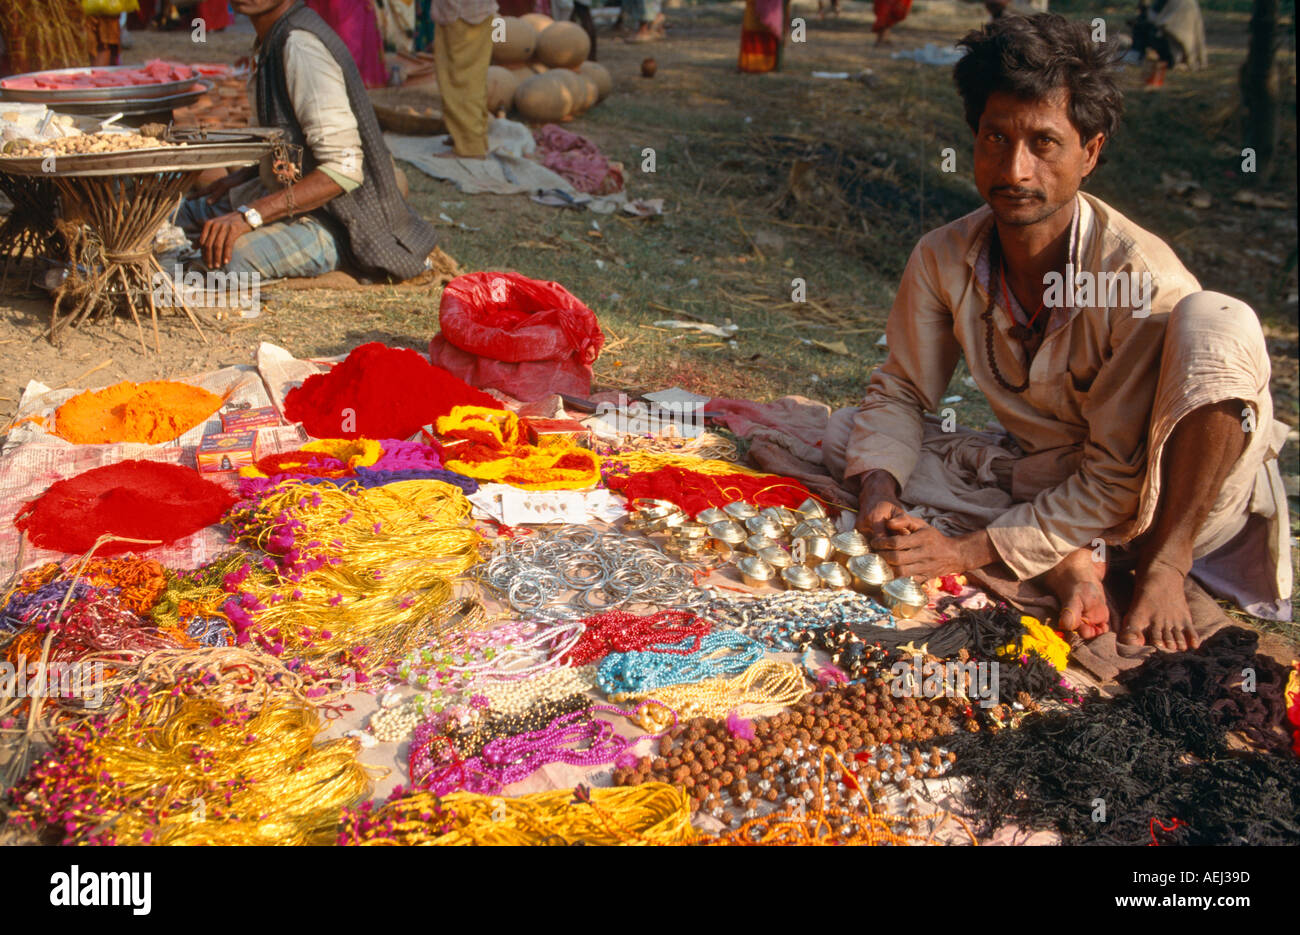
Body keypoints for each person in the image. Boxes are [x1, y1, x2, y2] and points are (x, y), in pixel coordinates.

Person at [820, 14, 1290, 652]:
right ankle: (1067, 558)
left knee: (1216, 321)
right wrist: (878, 490)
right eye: (994, 137)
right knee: (853, 435)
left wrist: (964, 550)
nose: (1014, 169)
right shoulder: (942, 254)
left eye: (1044, 143)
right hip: (1052, 476)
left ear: (1089, 152)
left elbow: (1121, 479)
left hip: (1171, 497)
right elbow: (901, 391)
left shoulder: (1137, 277)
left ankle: (1161, 566)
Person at [177, 0, 439, 281]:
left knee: (226, 261)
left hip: (344, 221)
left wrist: (249, 216)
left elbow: (344, 170)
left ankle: (337, 260)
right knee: (177, 219)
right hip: (292, 196)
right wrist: (242, 176)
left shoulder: (301, 46)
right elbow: (294, 140)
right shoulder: (271, 39)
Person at [430, 0, 497, 158]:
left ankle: (469, 146)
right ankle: (471, 138)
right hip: (476, 12)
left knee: (458, 80)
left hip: (461, 15)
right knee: (473, 79)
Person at [1127, 0, 1208, 89]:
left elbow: (1152, 18)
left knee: (1142, 28)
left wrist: (1143, 9)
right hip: (1186, 45)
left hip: (1173, 44)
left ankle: (1136, 55)